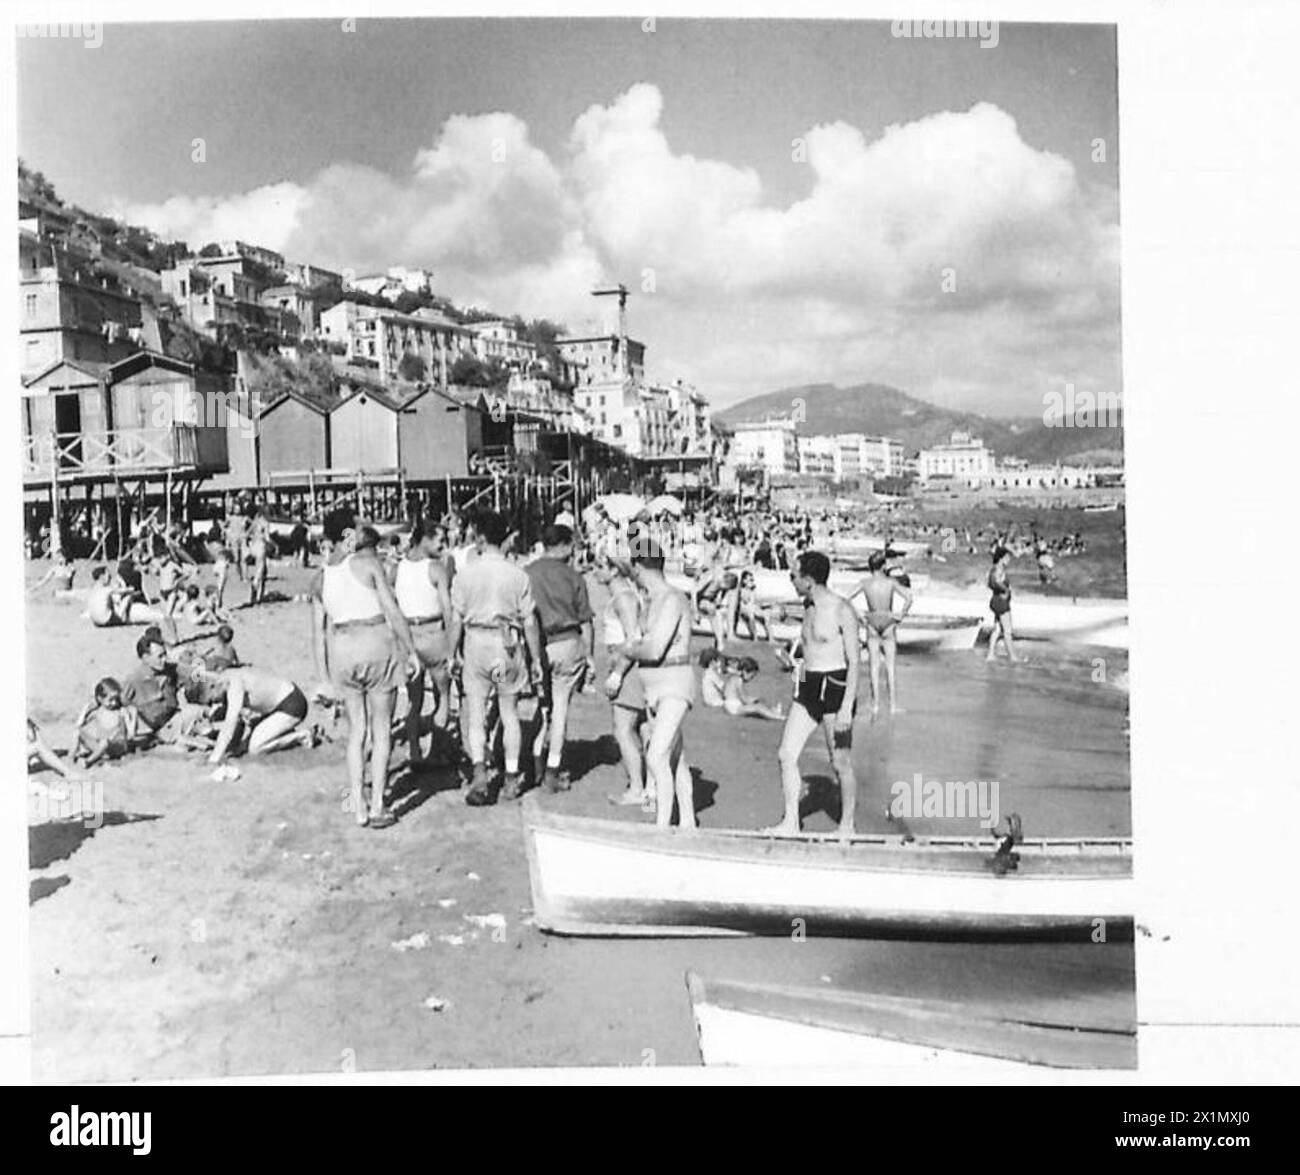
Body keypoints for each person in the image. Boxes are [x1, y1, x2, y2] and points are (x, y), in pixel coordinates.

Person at [311, 511, 419, 828]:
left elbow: (318, 633)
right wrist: (410, 649)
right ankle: (377, 806)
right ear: (347, 535)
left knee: (356, 730)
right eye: (356, 529)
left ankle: (357, 803)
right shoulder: (368, 565)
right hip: (374, 642)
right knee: (381, 727)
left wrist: (323, 678)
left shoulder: (319, 579)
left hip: (342, 650)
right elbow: (392, 610)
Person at [448, 511, 544, 805]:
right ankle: (512, 777)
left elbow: (456, 619)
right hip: (506, 647)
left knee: (476, 712)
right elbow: (529, 622)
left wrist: (452, 653)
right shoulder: (517, 575)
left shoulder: (465, 574)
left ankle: (479, 772)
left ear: (479, 538)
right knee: (509, 711)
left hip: (476, 643)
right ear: (505, 537)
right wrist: (536, 659)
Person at [765, 550, 860, 838]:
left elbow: (855, 661)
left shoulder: (842, 609)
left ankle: (847, 827)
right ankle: (791, 822)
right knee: (786, 754)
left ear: (808, 580)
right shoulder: (807, 605)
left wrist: (845, 708)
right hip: (808, 684)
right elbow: (809, 647)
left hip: (835, 685)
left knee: (840, 762)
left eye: (793, 575)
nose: (790, 580)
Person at [617, 539, 697, 830]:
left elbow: (653, 649)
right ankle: (688, 822)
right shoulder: (652, 600)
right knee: (676, 758)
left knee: (656, 754)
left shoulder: (672, 599)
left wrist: (628, 650)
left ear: (639, 567)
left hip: (674, 683)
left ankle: (662, 825)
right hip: (655, 687)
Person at [524, 524, 594, 791]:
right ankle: (553, 769)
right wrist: (589, 656)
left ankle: (535, 765)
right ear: (564, 545)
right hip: (568, 642)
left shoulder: (528, 573)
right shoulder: (574, 577)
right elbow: (586, 622)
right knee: (561, 708)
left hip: (539, 644)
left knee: (541, 707)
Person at [393, 521, 454, 767]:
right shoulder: (436, 568)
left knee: (413, 699)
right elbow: (448, 611)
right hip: (432, 632)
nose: (443, 545)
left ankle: (414, 751)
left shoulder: (397, 568)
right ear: (425, 539)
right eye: (440, 539)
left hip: (407, 635)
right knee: (443, 694)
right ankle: (436, 751)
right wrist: (453, 647)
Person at [600, 557, 651, 809]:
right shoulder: (626, 595)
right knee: (641, 728)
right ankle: (648, 787)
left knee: (623, 730)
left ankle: (637, 789)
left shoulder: (624, 598)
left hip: (628, 667)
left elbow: (633, 640)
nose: (592, 569)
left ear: (613, 570)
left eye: (597, 564)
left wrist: (617, 673)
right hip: (629, 666)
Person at [187, 662, 315, 764]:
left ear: (212, 687)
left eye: (211, 699)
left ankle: (302, 736)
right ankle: (282, 730)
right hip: (273, 707)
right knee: (248, 741)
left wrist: (214, 759)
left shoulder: (234, 685)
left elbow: (229, 724)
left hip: (292, 704)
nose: (214, 703)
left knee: (255, 748)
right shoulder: (223, 677)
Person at [854, 551, 914, 716]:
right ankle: (893, 706)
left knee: (874, 666)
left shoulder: (865, 582)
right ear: (883, 566)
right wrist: (901, 614)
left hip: (872, 620)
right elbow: (909, 597)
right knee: (890, 666)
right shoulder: (890, 582)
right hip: (888, 620)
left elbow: (847, 599)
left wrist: (860, 615)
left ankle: (875, 705)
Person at [75, 678, 136, 766]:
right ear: (100, 699)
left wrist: (133, 716)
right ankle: (70, 758)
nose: (114, 703)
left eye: (116, 699)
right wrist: (85, 710)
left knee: (104, 743)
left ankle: (88, 761)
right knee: (78, 733)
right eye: (110, 700)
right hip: (101, 747)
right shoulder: (97, 712)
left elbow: (131, 735)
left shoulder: (121, 712)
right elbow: (79, 726)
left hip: (116, 747)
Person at [987, 546, 1021, 662]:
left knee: (997, 629)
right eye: (1007, 557)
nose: (1009, 560)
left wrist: (1002, 589)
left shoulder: (994, 568)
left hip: (995, 600)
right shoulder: (999, 569)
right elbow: (995, 581)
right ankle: (1013, 657)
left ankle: (990, 655)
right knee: (1007, 631)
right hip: (1001, 602)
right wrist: (1005, 590)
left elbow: (990, 583)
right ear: (1001, 558)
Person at [246, 506, 271, 606]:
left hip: (253, 546)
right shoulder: (266, 523)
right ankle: (256, 595)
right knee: (260, 571)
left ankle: (258, 595)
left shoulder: (255, 522)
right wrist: (275, 545)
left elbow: (247, 534)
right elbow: (267, 537)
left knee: (263, 570)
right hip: (261, 546)